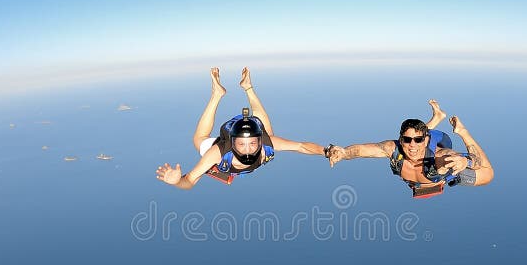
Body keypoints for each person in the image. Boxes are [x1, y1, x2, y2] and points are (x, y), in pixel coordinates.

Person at [156, 67, 329, 189]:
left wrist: (326, 151)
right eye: (242, 144)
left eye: (253, 143)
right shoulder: (217, 153)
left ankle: (244, 88)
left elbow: (301, 146)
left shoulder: (265, 144)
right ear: (232, 143)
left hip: (244, 150)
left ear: (259, 140)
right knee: (199, 140)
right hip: (223, 156)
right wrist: (178, 181)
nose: (247, 150)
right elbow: (191, 180)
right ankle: (217, 95)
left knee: (269, 136)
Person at [327, 100, 494, 198]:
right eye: (406, 140)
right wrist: (342, 153)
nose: (412, 145)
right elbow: (359, 151)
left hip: (441, 147)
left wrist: (465, 159)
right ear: (401, 139)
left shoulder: (440, 159)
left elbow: (474, 162)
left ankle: (462, 131)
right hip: (425, 147)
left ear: (426, 140)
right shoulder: (392, 148)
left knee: (488, 175)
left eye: (418, 140)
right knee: (414, 138)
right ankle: (437, 118)